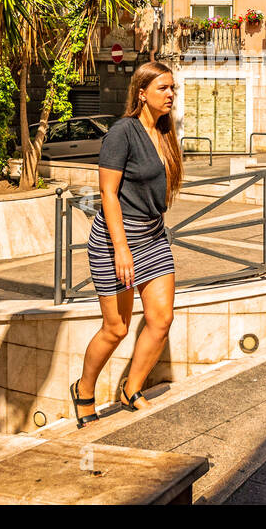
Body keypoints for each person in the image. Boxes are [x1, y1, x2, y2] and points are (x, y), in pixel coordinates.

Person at [69, 61, 183, 427]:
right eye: (163, 88)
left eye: (172, 89)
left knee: (160, 319)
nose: (170, 95)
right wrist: (121, 247)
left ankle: (131, 390)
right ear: (142, 93)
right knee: (116, 328)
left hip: (152, 236)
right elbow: (108, 193)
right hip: (115, 239)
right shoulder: (122, 131)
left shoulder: (164, 133)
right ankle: (83, 390)